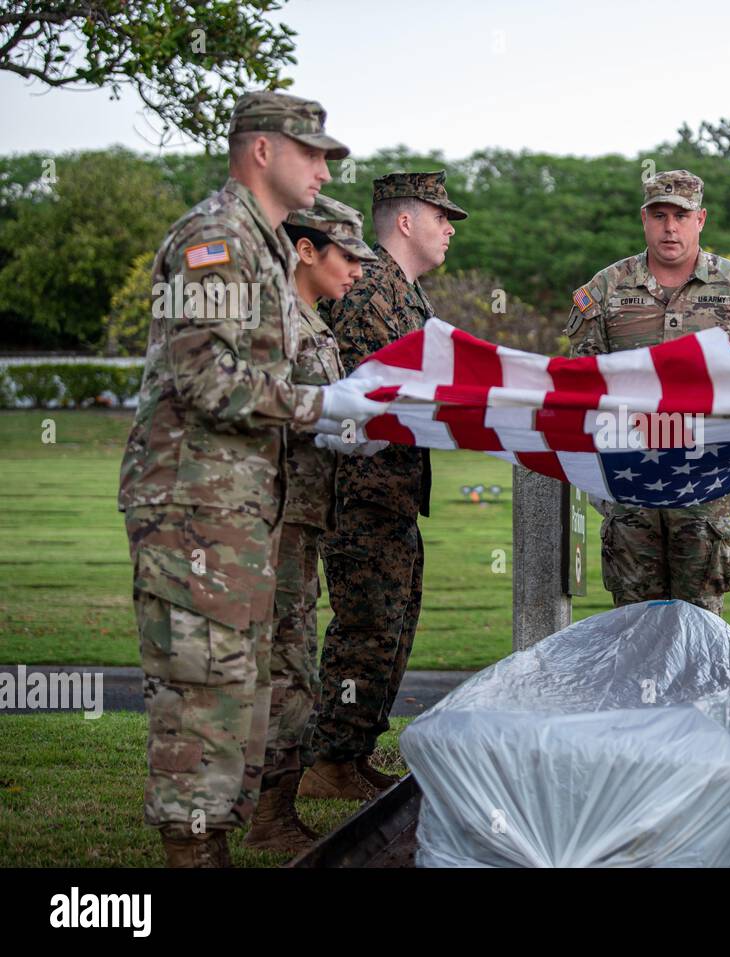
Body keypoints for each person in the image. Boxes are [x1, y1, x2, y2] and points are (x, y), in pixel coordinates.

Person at [118, 92, 387, 866]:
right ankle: (194, 855)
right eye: (311, 153)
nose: (323, 167)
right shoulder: (215, 236)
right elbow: (203, 377)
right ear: (262, 151)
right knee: (203, 695)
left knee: (236, 690)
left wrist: (326, 417)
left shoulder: (262, 244)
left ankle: (218, 844)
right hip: (192, 505)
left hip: (236, 505)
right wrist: (318, 405)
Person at [302, 172, 467, 801]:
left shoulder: (403, 292)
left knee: (392, 620)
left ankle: (349, 752)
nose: (449, 228)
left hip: (390, 489)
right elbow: (382, 384)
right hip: (359, 488)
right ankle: (328, 759)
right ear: (405, 222)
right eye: (440, 216)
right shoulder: (369, 286)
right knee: (368, 623)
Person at [566, 169, 730, 614]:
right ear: (643, 219)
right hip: (629, 478)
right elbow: (582, 387)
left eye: (680, 216)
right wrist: (591, 470)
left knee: (699, 618)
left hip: (705, 480)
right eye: (659, 215)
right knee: (632, 616)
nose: (670, 227)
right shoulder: (604, 291)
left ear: (701, 218)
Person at [242, 193, 385, 852]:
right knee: (280, 669)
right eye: (348, 255)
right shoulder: (271, 321)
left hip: (298, 519)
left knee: (289, 666)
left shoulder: (312, 324)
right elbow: (245, 410)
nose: (358, 270)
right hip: (265, 521)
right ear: (306, 249)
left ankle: (268, 807)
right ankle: (264, 815)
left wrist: (350, 425)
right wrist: (331, 414)